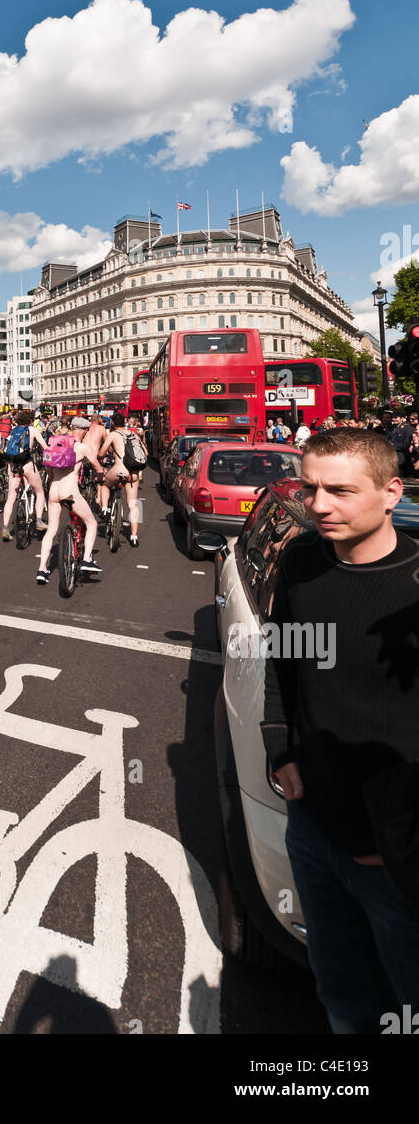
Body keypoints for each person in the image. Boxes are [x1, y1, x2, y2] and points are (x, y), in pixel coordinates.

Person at [262, 429, 419, 1034]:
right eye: (311, 488)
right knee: (343, 996)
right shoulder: (301, 558)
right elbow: (285, 657)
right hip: (314, 828)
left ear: (390, 492)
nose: (320, 504)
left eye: (341, 490)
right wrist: (280, 746)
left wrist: (405, 839)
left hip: (398, 858)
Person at [36, 417, 104, 584]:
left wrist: (53, 478)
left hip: (53, 491)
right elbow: (96, 465)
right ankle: (87, 559)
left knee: (51, 530)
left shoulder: (54, 445)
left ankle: (42, 570)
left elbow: (49, 469)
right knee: (92, 523)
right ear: (85, 430)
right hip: (70, 492)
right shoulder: (81, 448)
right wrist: (101, 474)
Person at [97, 409, 143, 546]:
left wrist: (107, 454)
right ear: (124, 422)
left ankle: (105, 509)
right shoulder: (134, 435)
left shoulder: (113, 434)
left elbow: (101, 453)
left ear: (112, 423)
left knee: (105, 484)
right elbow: (144, 451)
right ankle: (134, 537)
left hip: (119, 470)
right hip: (133, 473)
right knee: (133, 504)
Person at [0, 408, 47, 541]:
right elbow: (45, 447)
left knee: (11, 497)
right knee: (40, 492)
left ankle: (5, 528)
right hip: (26, 464)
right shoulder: (32, 430)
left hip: (13, 465)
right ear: (30, 421)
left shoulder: (13, 431)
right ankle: (38, 521)